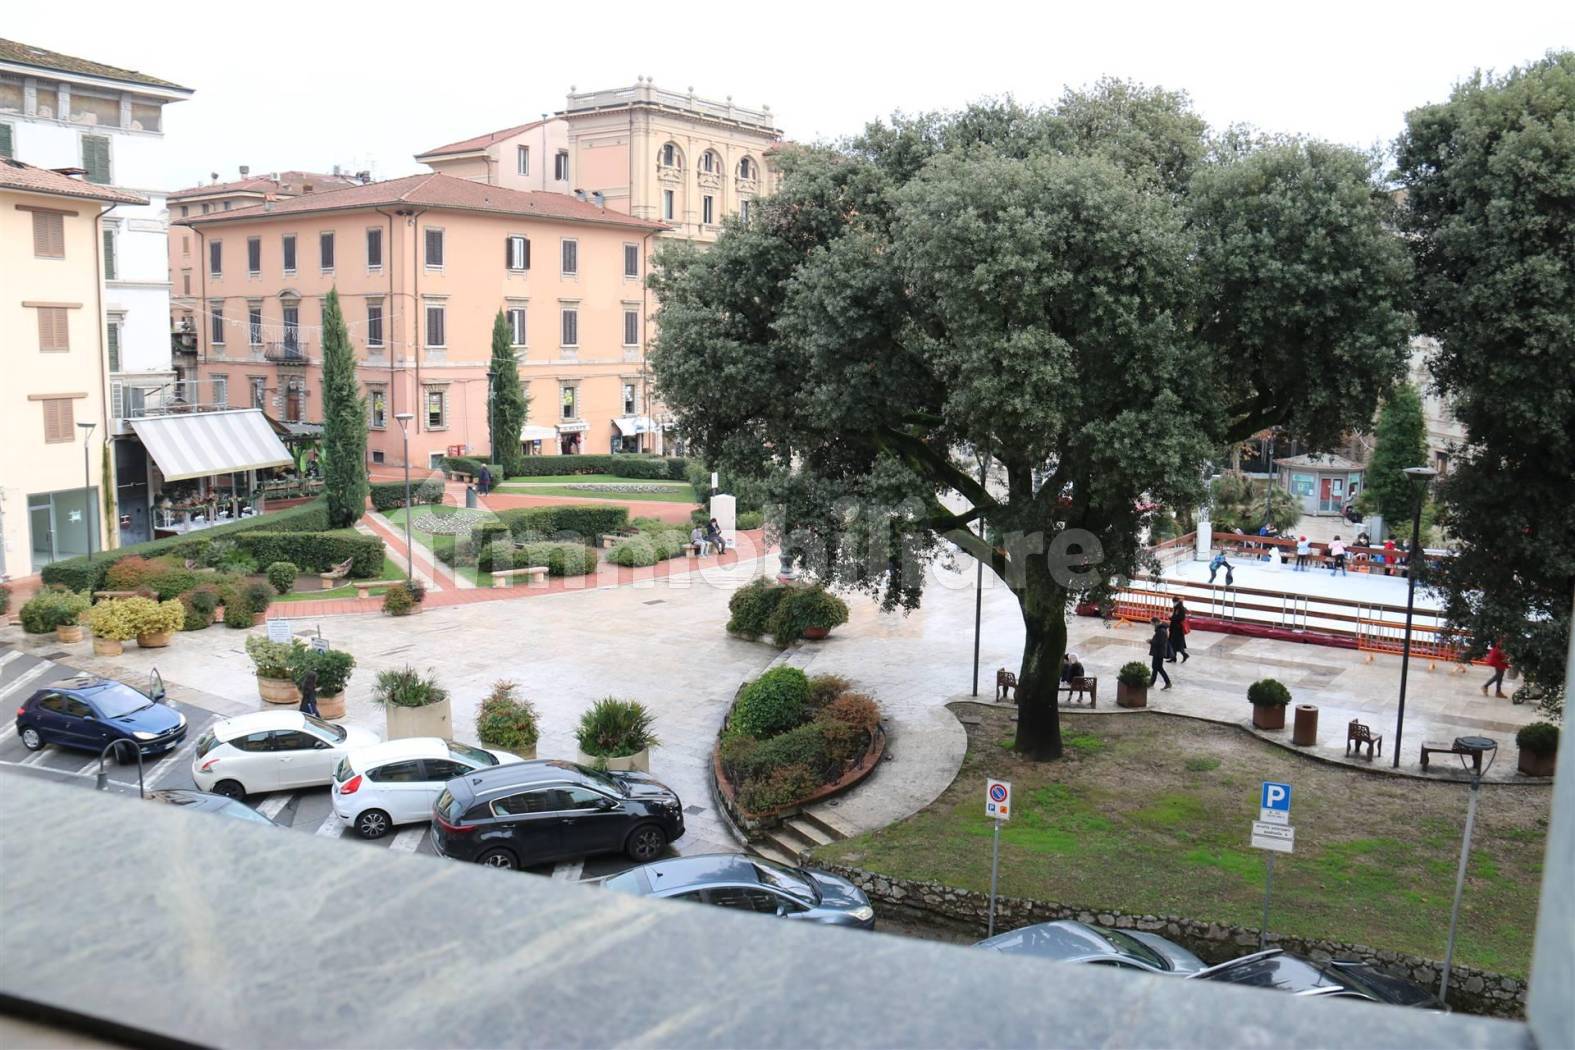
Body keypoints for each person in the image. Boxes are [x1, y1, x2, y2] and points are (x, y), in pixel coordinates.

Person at [1148, 619, 1172, 690]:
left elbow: (1159, 642)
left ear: (1156, 622)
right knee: (1155, 667)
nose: (1152, 625)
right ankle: (1151, 683)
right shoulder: (1161, 629)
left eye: (1152, 624)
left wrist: (1151, 641)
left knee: (1158, 668)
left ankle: (1168, 683)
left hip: (1159, 652)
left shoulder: (1161, 630)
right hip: (1158, 651)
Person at [1168, 599, 1190, 663]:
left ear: (1177, 602)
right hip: (1174, 628)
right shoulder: (1176, 607)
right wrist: (1171, 617)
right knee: (1172, 644)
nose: (1173, 603)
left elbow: (1181, 618)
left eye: (1174, 602)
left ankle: (1185, 655)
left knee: (1177, 645)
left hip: (1178, 630)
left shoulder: (1181, 609)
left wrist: (1171, 618)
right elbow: (1176, 616)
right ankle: (1173, 658)